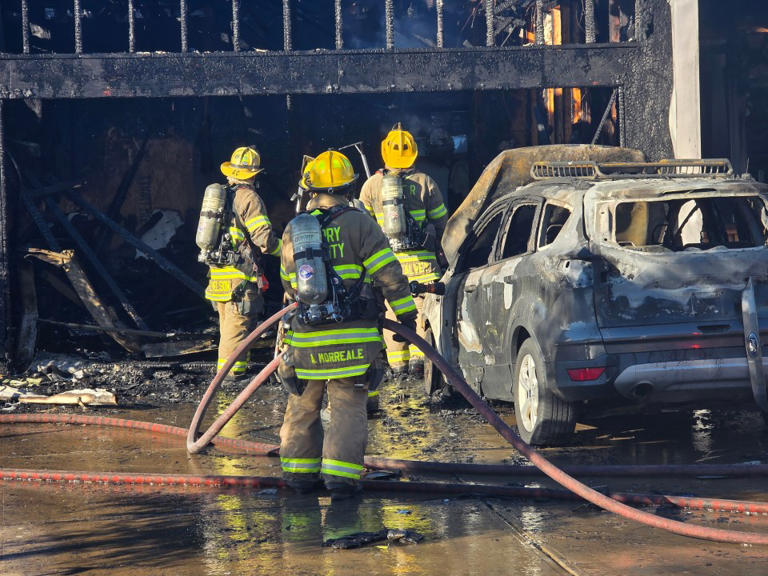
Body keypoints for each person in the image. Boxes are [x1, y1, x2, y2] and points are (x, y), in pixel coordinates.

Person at [277, 149, 417, 499]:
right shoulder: (360, 223)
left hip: (306, 343)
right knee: (348, 409)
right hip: (352, 345)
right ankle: (340, 481)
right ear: (349, 185)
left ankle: (298, 478)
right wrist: (407, 315)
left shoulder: (295, 229)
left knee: (302, 408)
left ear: (310, 189)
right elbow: (389, 275)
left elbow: (286, 283)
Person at [359, 123, 449, 379]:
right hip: (422, 264)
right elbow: (443, 224)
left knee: (391, 311)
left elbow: (363, 230)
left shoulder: (371, 186)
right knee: (422, 314)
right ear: (414, 153)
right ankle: (420, 367)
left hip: (387, 264)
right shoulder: (425, 182)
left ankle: (398, 371)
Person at [203, 146, 282, 381]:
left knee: (229, 327)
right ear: (254, 174)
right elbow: (264, 240)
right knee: (237, 329)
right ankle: (231, 378)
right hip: (239, 276)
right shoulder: (249, 197)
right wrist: (286, 250)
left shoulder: (222, 196)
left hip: (217, 276)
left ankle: (234, 371)